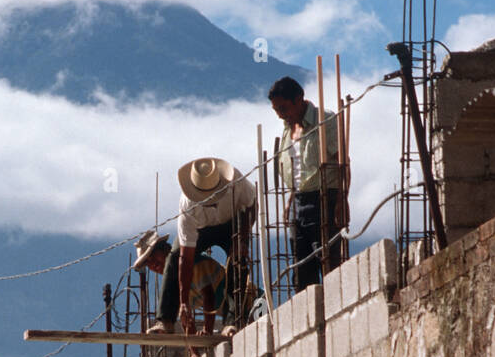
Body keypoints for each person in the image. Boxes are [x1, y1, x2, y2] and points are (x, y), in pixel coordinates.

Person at [140, 157, 256, 339]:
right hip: (201, 229)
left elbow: (251, 207)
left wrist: (243, 238)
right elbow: (185, 258)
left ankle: (232, 321)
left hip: (233, 223)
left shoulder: (237, 183)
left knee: (237, 261)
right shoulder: (187, 207)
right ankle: (165, 320)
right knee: (174, 256)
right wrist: (184, 301)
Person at [268, 76, 349, 292]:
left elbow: (343, 162)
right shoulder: (287, 129)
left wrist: (342, 199)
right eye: (276, 110)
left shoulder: (325, 121)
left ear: (299, 99)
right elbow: (295, 171)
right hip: (299, 203)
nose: (281, 114)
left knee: (328, 260)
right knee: (301, 267)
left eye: (283, 108)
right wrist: (289, 201)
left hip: (324, 198)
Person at [134, 234, 228, 335]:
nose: (153, 264)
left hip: (241, 301)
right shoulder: (174, 284)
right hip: (228, 312)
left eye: (153, 257)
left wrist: (207, 331)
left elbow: (209, 297)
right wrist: (193, 349)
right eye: (148, 264)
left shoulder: (193, 264)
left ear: (166, 249)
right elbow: (186, 319)